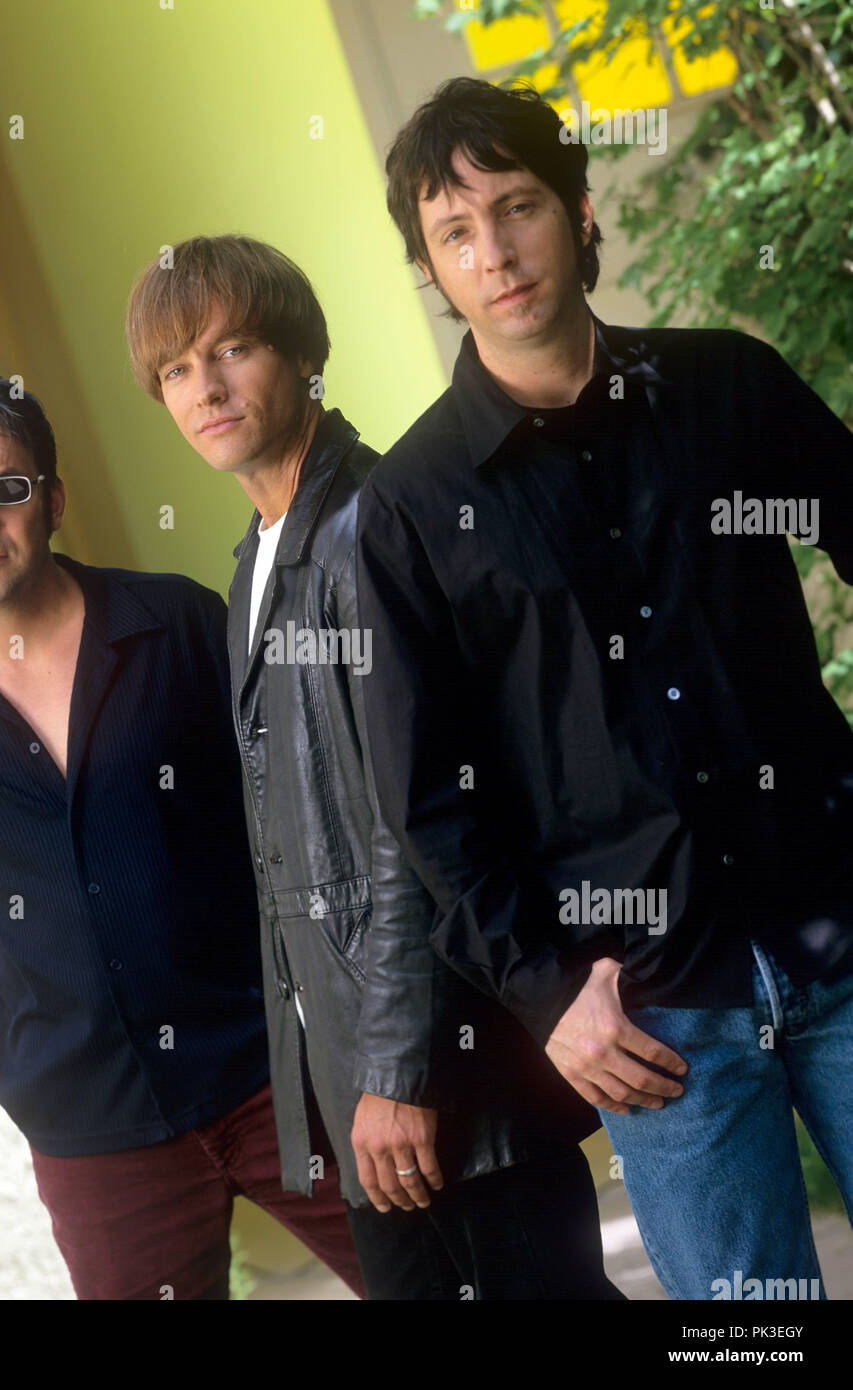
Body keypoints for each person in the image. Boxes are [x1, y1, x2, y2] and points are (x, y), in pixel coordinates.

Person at [355, 76, 853, 1301]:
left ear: (578, 209)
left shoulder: (730, 389)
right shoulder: (411, 510)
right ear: (431, 267)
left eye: (515, 206)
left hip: (840, 925)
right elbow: (427, 806)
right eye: (454, 233)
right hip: (650, 1012)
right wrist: (543, 997)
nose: (494, 252)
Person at [125, 234, 621, 1300]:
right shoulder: (253, 558)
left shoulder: (370, 528)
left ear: (302, 354)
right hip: (362, 1085)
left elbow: (420, 825)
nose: (204, 387)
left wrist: (398, 1070)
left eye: (234, 349)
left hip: (444, 1076)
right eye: (175, 368)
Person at [0, 368, 365, 1301]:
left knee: (437, 1274)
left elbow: (286, 797)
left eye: (7, 488)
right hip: (90, 1126)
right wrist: (0, 1006)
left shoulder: (174, 621)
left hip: (270, 1064)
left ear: (50, 499)